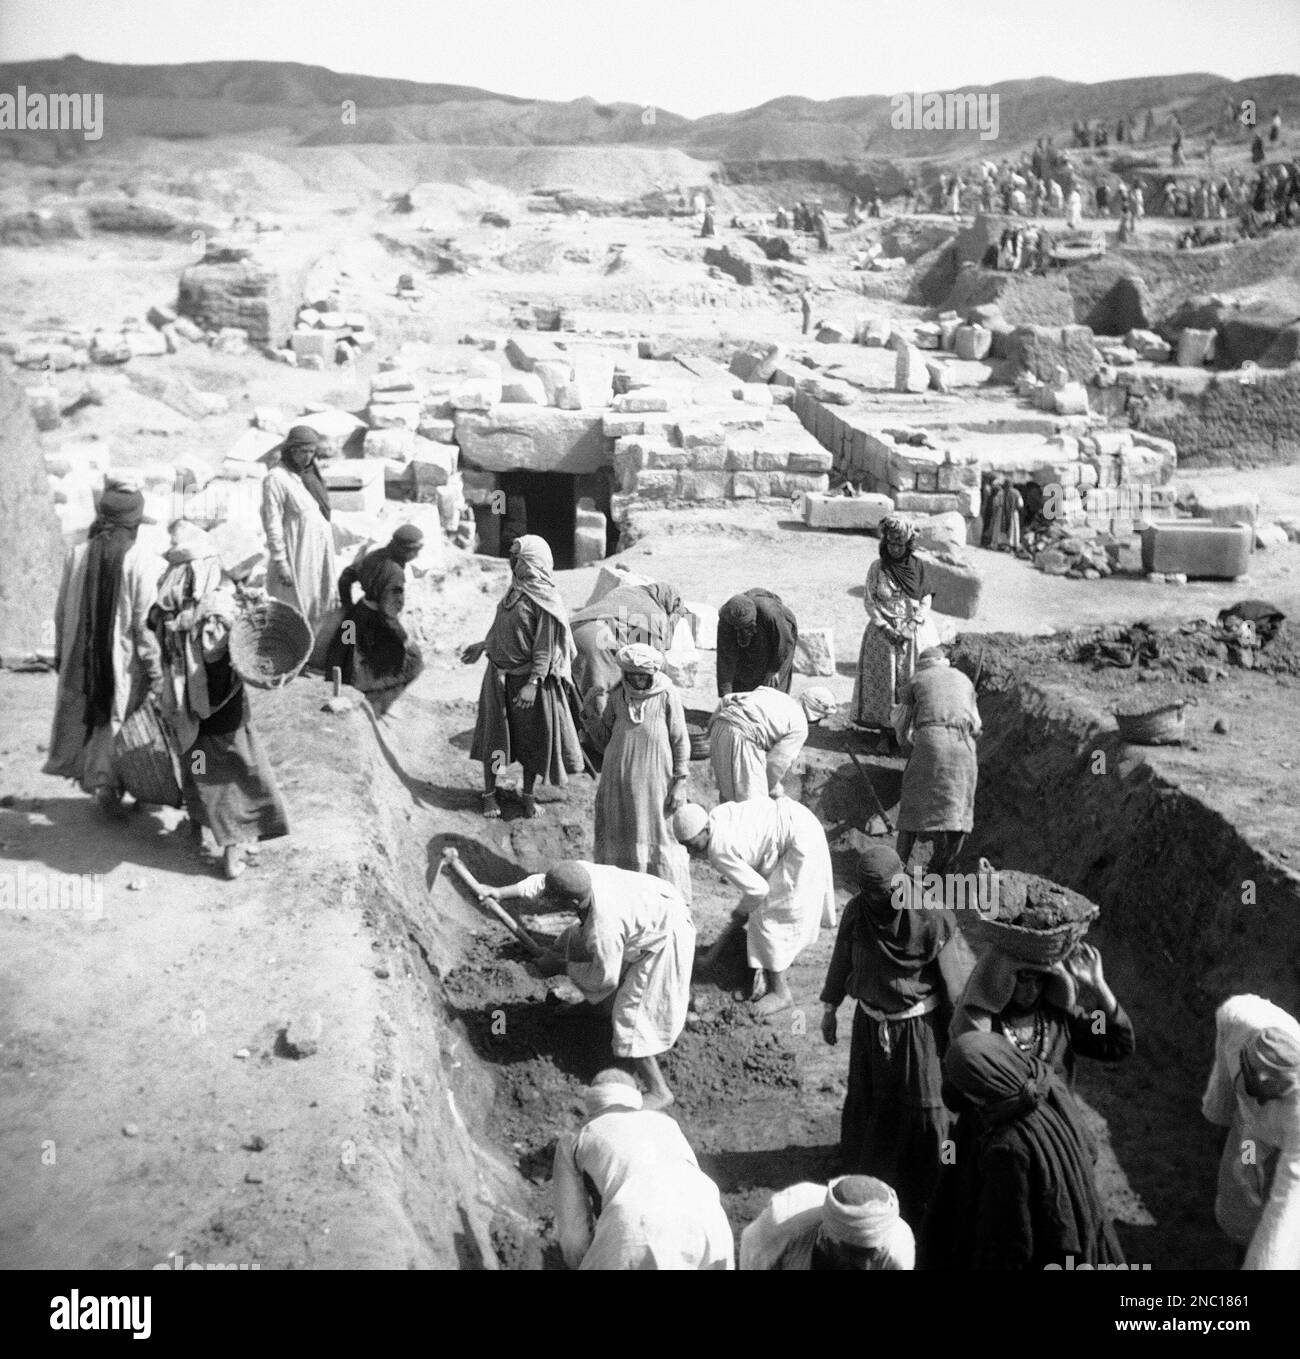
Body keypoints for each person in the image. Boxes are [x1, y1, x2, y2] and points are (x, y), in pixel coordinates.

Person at [821, 845, 968, 1227]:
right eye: (870, 893)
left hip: (919, 1031)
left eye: (885, 891)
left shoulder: (932, 918)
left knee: (927, 1107)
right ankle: (867, 1170)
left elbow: (954, 989)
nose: (878, 900)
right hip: (871, 1027)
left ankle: (934, 1180)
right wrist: (829, 1008)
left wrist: (961, 1041)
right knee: (872, 1098)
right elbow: (841, 959)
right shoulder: (857, 913)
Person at [486, 861, 694, 1108]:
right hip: (647, 909)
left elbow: (605, 977)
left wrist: (560, 966)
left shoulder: (604, 927)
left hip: (666, 936)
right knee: (570, 939)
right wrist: (499, 892)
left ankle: (658, 1090)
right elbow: (545, 882)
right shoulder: (581, 874)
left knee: (633, 1015)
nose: (546, 902)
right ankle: (596, 1009)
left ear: (573, 903)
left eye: (553, 900)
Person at [923, 1031, 1126, 1269]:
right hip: (1092, 1231)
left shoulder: (1007, 1149)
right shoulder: (1046, 1085)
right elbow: (1090, 1150)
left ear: (979, 1089)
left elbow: (1010, 1241)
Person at [44, 478, 163, 810]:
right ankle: (114, 784)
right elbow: (145, 623)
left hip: (81, 655)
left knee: (92, 713)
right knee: (121, 716)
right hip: (121, 659)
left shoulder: (78, 554)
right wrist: (155, 668)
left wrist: (61, 653)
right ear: (134, 521)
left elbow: (61, 611)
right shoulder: (140, 559)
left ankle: (102, 783)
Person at [156, 587, 290, 880]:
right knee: (236, 780)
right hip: (226, 726)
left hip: (193, 721)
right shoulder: (223, 625)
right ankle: (231, 854)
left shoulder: (175, 616)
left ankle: (196, 831)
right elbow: (247, 642)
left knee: (198, 772)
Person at [551, 1069, 733, 1270]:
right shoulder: (667, 1124)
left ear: (593, 1100)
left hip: (638, 1226)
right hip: (711, 1220)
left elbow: (573, 1235)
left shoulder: (576, 1139)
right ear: (636, 1095)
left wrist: (581, 1262)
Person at [673, 797, 835, 1017]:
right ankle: (766, 973)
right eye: (686, 847)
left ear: (706, 829)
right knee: (765, 910)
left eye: (693, 845)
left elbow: (758, 890)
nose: (691, 853)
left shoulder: (717, 849)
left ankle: (780, 992)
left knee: (769, 916)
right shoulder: (718, 816)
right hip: (799, 819)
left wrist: (741, 912)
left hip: (799, 840)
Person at [462, 535, 585, 819]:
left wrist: (533, 683)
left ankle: (528, 796)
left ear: (531, 562)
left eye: (516, 556)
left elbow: (544, 648)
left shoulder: (545, 601)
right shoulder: (513, 591)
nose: (511, 560)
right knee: (495, 737)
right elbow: (503, 630)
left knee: (532, 741)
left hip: (527, 683)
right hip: (497, 678)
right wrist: (484, 646)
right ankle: (490, 794)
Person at [583, 643, 692, 903]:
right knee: (621, 832)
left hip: (656, 784)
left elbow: (680, 740)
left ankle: (666, 897)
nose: (638, 680)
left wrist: (680, 782)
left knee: (659, 833)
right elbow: (603, 739)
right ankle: (623, 897)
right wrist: (589, 709)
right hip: (617, 781)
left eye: (643, 676)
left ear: (653, 674)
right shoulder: (619, 695)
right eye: (632, 675)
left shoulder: (666, 695)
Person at [951, 941, 1135, 1090]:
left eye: (1039, 980)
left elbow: (1108, 1039)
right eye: (1024, 979)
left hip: (1057, 1128)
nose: (1032, 990)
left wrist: (1098, 987)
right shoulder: (984, 1026)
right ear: (1004, 977)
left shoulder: (1059, 1018)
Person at [1201, 994, 1300, 1269]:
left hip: (1287, 1152)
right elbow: (1249, 1128)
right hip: (1250, 1133)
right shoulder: (1238, 1022)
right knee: (1240, 1204)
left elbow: (1290, 1194)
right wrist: (1244, 1165)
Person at [891, 647, 981, 875]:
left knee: (912, 807)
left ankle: (898, 868)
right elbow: (977, 726)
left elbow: (902, 723)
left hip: (933, 743)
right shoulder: (964, 680)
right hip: (965, 746)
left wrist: (906, 744)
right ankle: (944, 869)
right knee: (958, 810)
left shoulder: (917, 680)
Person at [851, 517, 940, 733]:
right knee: (883, 684)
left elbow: (926, 599)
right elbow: (869, 599)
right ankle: (886, 731)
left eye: (900, 545)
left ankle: (907, 733)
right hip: (882, 634)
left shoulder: (917, 567)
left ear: (908, 545)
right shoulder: (877, 568)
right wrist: (884, 626)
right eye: (891, 544)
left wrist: (912, 625)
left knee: (910, 683)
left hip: (913, 634)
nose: (895, 549)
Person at [325, 525, 424, 715]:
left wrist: (347, 606)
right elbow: (387, 612)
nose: (418, 556)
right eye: (416, 551)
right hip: (376, 624)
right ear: (405, 550)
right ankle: (375, 708)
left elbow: (346, 577)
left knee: (345, 659)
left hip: (355, 617)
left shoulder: (375, 555)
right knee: (413, 662)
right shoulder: (394, 572)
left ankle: (351, 699)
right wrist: (404, 638)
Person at [739, 1175, 914, 1270]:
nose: (865, 1266)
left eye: (873, 1254)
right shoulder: (781, 1227)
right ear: (826, 1238)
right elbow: (753, 1260)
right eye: (856, 1254)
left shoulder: (898, 1254)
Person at [261, 425, 337, 639]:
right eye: (303, 451)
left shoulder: (307, 476)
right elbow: (272, 521)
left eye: (312, 452)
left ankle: (309, 649)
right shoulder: (276, 478)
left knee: (317, 600)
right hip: (298, 551)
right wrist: (280, 560)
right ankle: (292, 652)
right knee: (296, 603)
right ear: (291, 450)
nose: (308, 457)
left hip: (316, 550)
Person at [709, 685, 836, 802]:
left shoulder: (771, 693)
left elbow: (726, 699)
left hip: (720, 725)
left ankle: (725, 825)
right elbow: (777, 762)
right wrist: (770, 789)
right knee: (753, 804)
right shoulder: (800, 726)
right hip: (743, 737)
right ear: (816, 716)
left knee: (729, 793)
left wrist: (710, 730)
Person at [716, 589, 799, 698]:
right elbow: (725, 659)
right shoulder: (727, 620)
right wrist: (725, 696)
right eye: (743, 628)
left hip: (781, 636)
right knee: (743, 681)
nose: (752, 631)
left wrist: (774, 670)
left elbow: (785, 643)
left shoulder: (769, 611)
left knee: (772, 688)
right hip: (758, 628)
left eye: (750, 626)